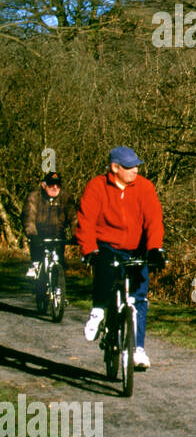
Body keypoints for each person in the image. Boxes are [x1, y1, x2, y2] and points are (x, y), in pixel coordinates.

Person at [76, 146, 166, 368]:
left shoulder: (145, 187)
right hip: (107, 245)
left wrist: (154, 248)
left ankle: (138, 349)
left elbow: (153, 219)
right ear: (115, 168)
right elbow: (86, 221)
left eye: (137, 165)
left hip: (136, 248)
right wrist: (89, 251)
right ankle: (98, 311)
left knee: (139, 297)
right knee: (105, 269)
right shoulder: (97, 186)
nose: (135, 170)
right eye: (129, 166)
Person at [23, 171, 72, 278]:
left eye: (58, 185)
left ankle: (59, 287)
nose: (55, 187)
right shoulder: (34, 197)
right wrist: (32, 235)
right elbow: (29, 218)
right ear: (43, 185)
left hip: (58, 236)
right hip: (38, 237)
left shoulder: (65, 198)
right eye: (51, 184)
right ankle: (35, 267)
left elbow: (74, 218)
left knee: (59, 265)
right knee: (38, 263)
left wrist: (78, 234)